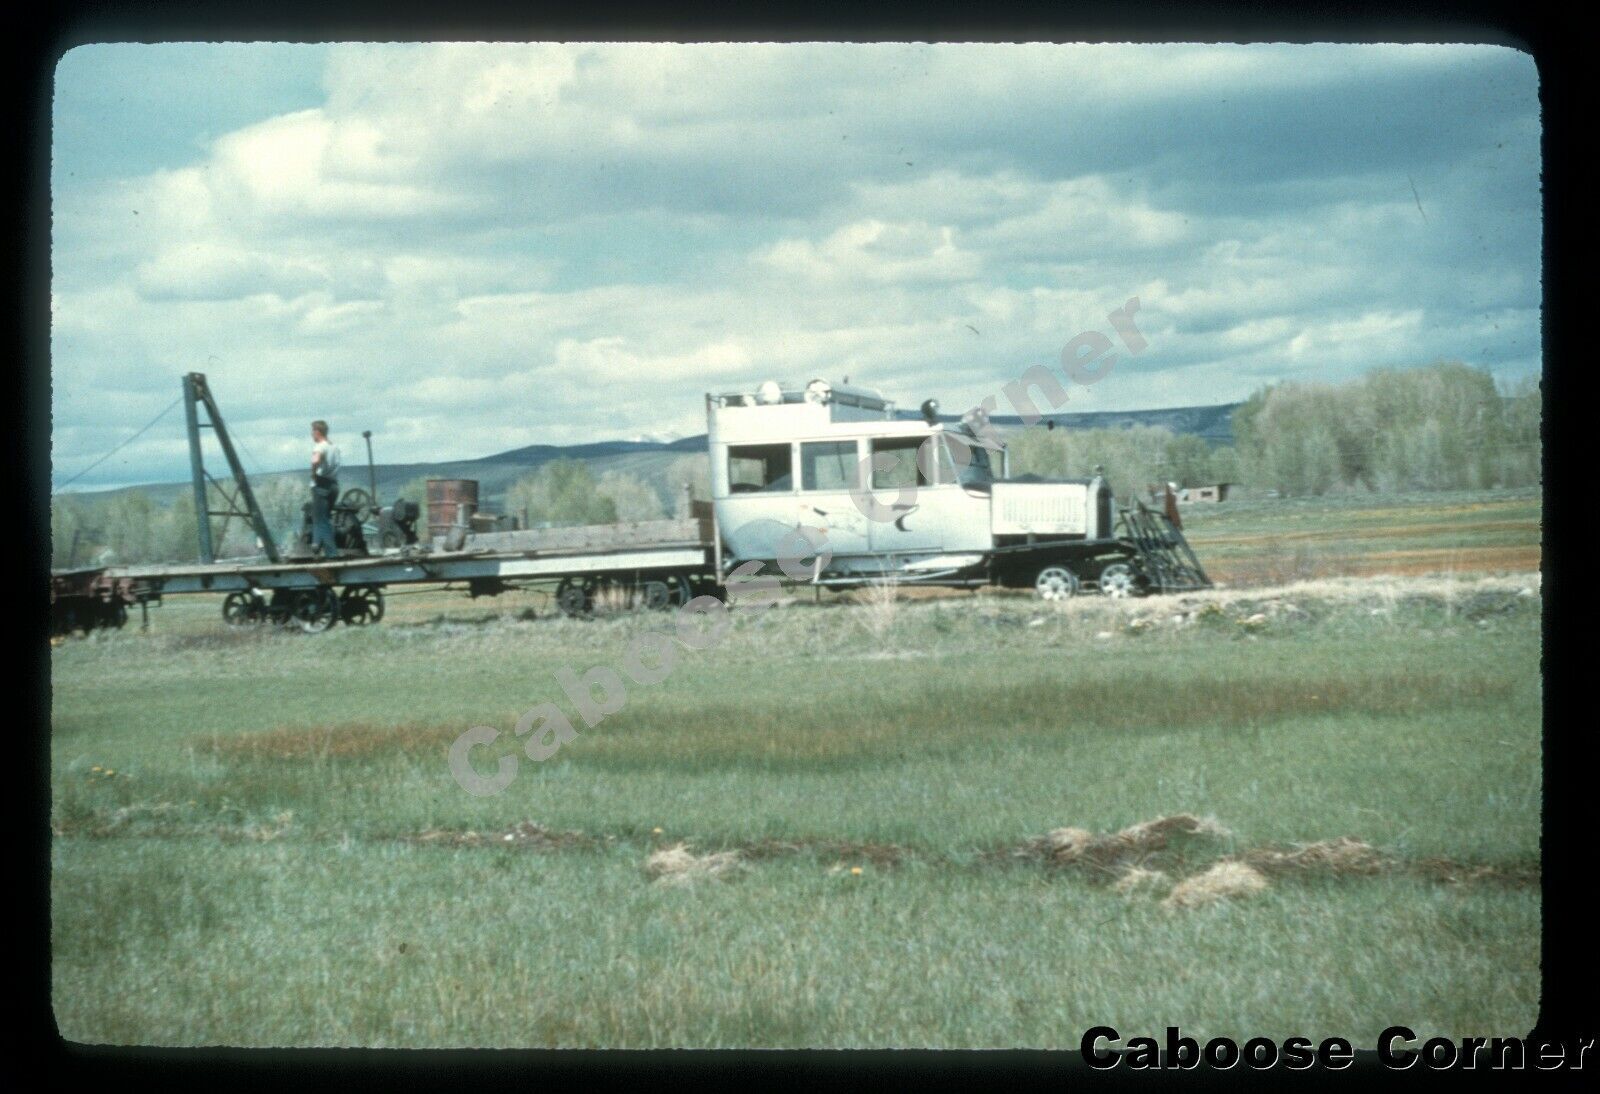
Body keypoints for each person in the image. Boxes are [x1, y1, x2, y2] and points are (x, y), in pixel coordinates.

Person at [309, 420, 342, 560]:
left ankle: (331, 553)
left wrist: (313, 473)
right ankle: (316, 545)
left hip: (321, 485)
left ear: (317, 432)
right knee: (324, 518)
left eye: (312, 431)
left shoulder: (320, 446)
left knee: (321, 520)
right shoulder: (334, 447)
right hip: (334, 485)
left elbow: (315, 460)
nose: (311, 434)